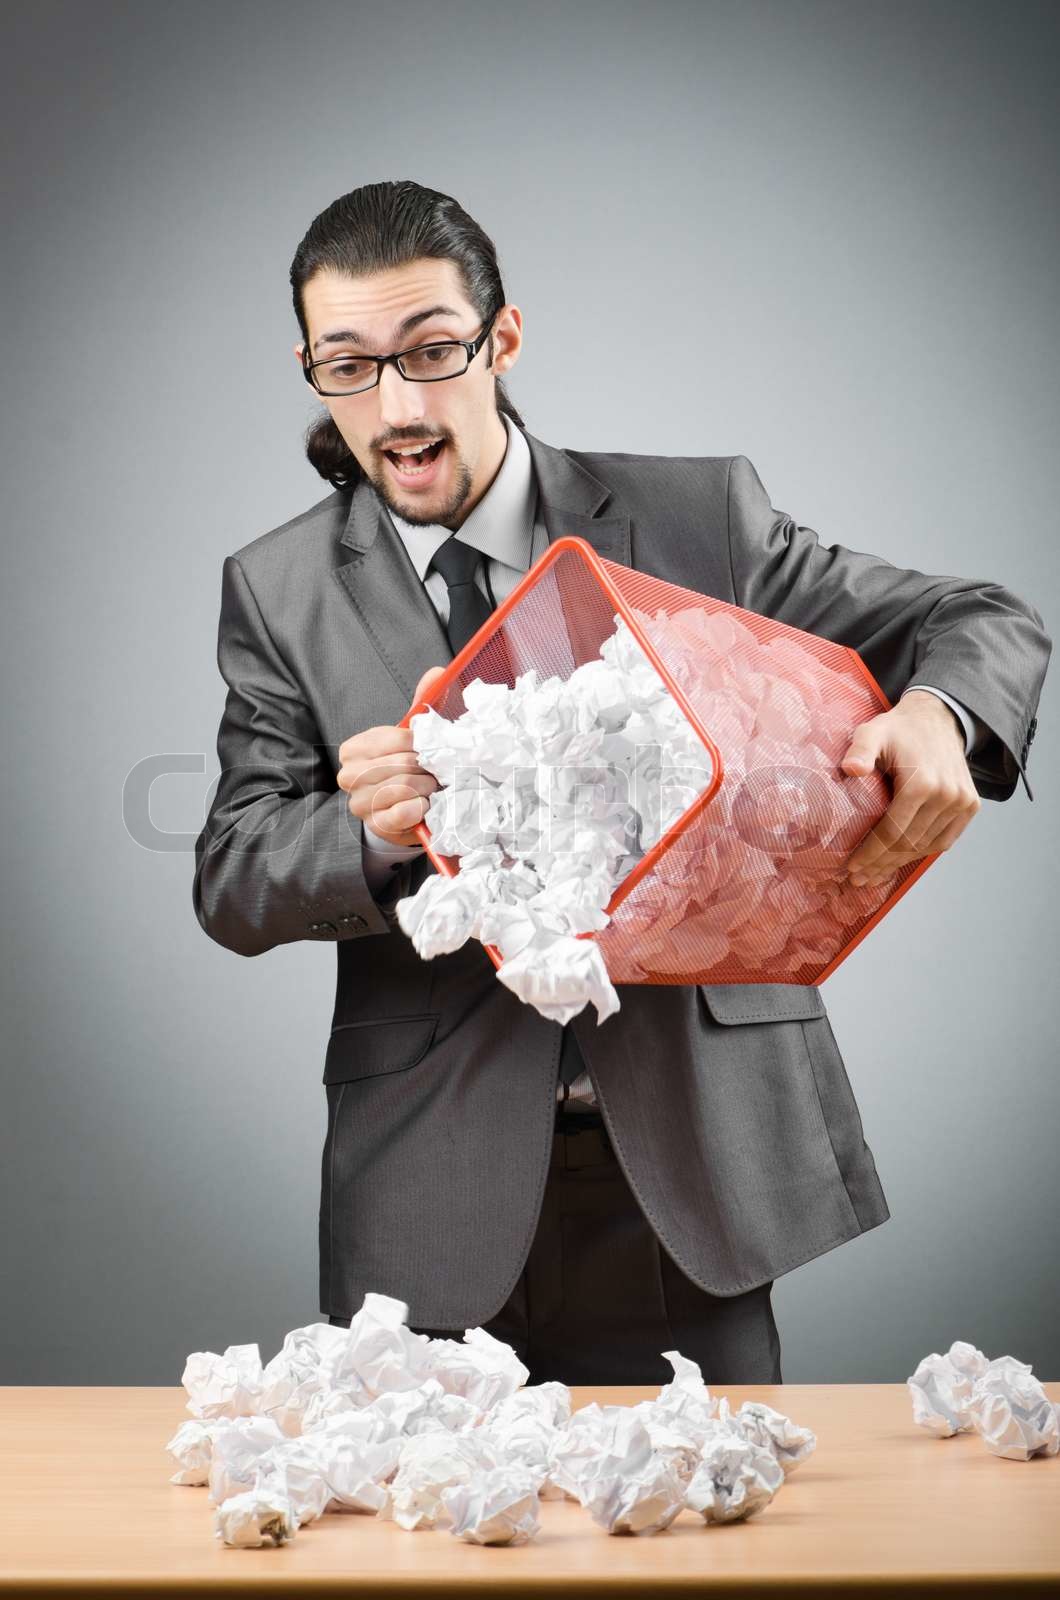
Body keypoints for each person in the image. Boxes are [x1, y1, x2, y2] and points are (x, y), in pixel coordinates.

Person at [193, 180, 1050, 1385]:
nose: (396, 403)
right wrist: (368, 828)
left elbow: (977, 617)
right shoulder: (278, 589)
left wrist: (939, 714)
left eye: (433, 351)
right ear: (312, 368)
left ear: (503, 337)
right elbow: (232, 875)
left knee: (706, 1559)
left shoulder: (699, 517)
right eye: (349, 365)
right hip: (428, 1193)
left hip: (690, 1179)